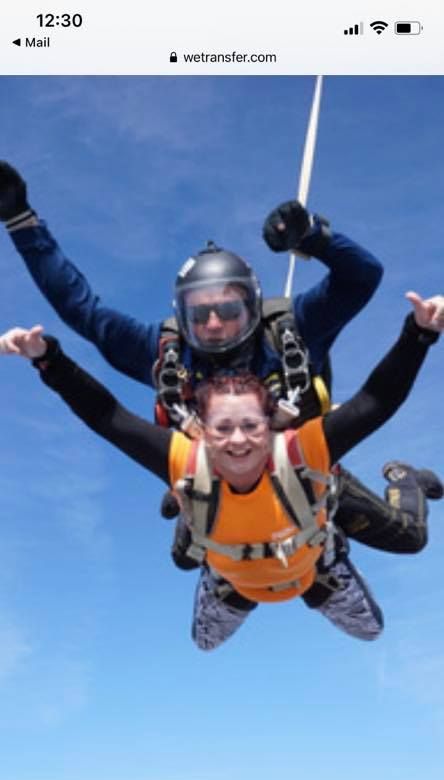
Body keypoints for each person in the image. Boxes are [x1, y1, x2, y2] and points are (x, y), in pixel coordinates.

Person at [1, 161, 440, 568]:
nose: (214, 324)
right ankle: (190, 501)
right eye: (199, 314)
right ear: (182, 315)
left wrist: (313, 238)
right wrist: (21, 220)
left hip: (310, 472)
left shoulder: (291, 331)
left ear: (251, 306)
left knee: (409, 538)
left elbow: (362, 277)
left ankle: (406, 477)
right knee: (187, 558)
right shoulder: (163, 352)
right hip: (219, 483)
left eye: (229, 311)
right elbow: (81, 309)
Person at [2, 290, 443, 651]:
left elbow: (377, 401)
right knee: (202, 633)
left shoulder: (303, 449)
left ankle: (350, 530)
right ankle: (203, 539)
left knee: (374, 626)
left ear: (268, 424)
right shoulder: (184, 457)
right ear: (203, 432)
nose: (237, 440)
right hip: (235, 583)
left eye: (250, 426)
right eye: (224, 428)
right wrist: (48, 359)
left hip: (313, 573)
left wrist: (418, 334)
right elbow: (106, 417)